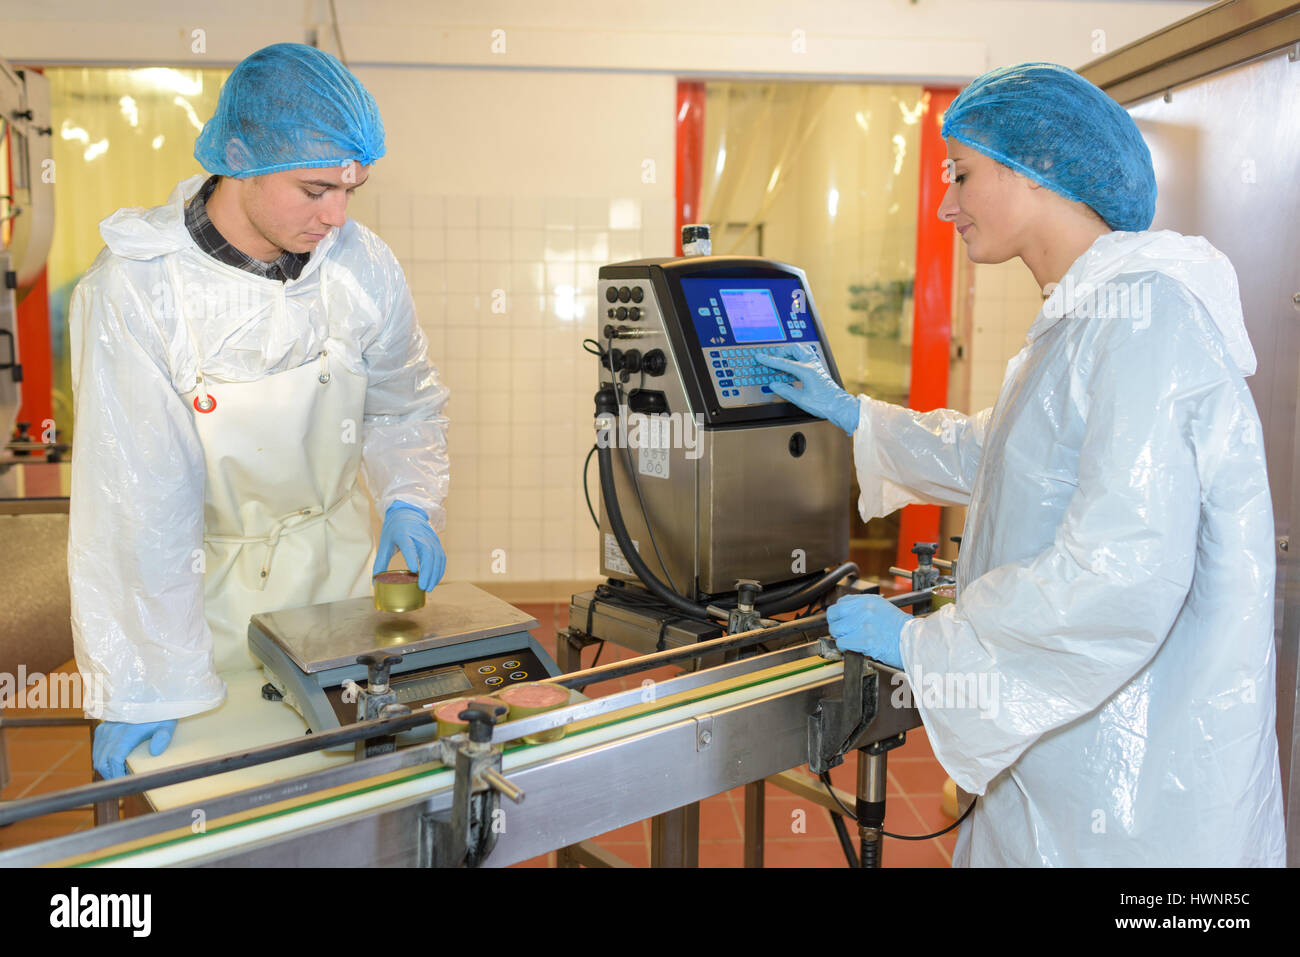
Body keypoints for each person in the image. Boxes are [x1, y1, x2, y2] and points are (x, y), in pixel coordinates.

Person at [758, 62, 1286, 866]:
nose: (947, 205)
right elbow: (1006, 454)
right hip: (1065, 766)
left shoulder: (1146, 320)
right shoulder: (1085, 318)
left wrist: (930, 645)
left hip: (1136, 798)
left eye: (961, 173)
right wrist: (855, 413)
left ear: (1038, 167)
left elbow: (1121, 572)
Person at [69, 44, 450, 779]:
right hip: (203, 604)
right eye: (315, 190)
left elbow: (404, 401)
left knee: (348, 790)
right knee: (227, 798)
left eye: (351, 188)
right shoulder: (139, 290)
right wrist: (147, 677)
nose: (336, 216)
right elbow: (135, 504)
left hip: (338, 583)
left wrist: (409, 496)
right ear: (240, 157)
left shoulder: (362, 266)